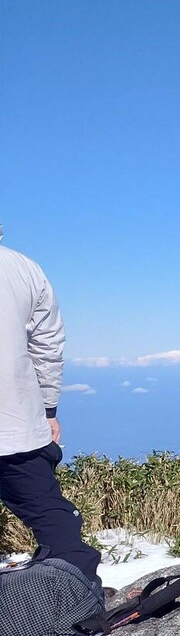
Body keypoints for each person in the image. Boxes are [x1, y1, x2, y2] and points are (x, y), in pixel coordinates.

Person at [0, 224, 101, 589]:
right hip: (15, 420)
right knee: (50, 515)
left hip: (17, 421)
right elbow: (48, 345)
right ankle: (76, 601)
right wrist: (46, 409)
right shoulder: (25, 269)